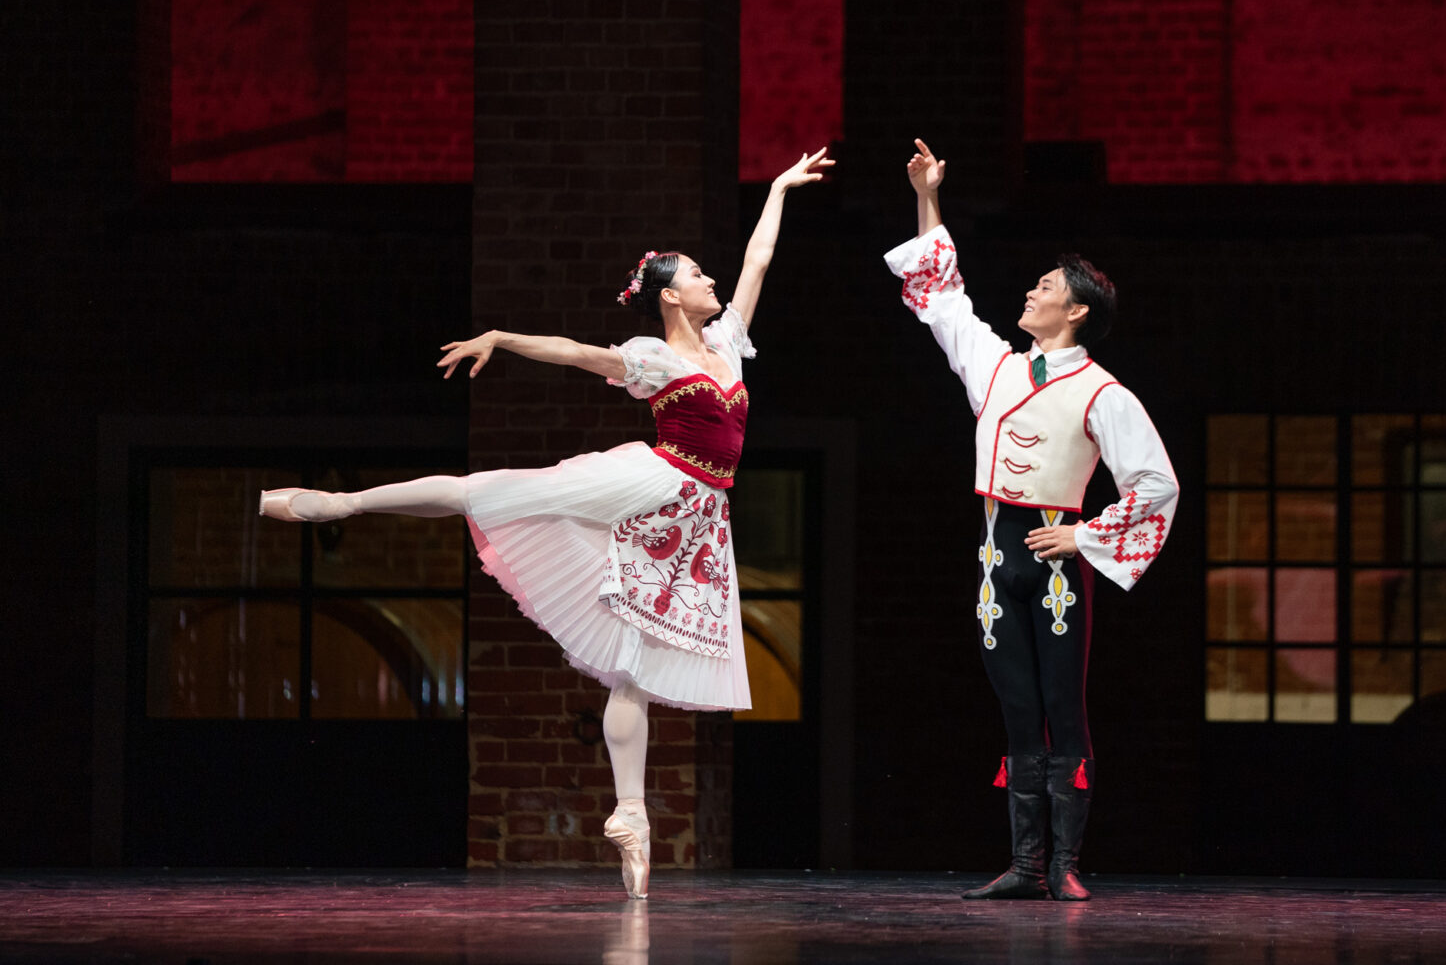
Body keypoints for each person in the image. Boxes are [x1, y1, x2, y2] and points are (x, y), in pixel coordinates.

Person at [258, 148, 834, 899]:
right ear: (669, 297)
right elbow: (577, 354)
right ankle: (345, 504)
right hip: (655, 479)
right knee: (498, 491)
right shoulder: (654, 359)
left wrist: (781, 189)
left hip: (698, 517)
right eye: (696, 275)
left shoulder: (727, 345)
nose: (712, 281)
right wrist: (501, 337)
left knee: (636, 665)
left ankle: (631, 813)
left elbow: (758, 262)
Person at [884, 139, 1177, 901]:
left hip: (1053, 564)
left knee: (1061, 710)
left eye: (1045, 286)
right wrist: (928, 195)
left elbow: (1155, 483)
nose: (1031, 292)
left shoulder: (1102, 392)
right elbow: (943, 299)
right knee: (1017, 711)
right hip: (994, 562)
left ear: (1075, 309)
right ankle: (1022, 863)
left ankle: (1064, 865)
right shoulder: (998, 366)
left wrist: (1083, 535)